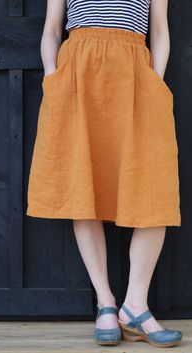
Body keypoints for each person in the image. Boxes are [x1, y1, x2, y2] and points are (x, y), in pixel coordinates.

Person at [26, 0, 182, 347]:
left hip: (136, 74)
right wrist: (53, 78)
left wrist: (155, 82)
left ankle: (135, 305)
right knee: (84, 186)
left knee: (154, 188)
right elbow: (53, 28)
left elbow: (159, 29)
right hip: (78, 76)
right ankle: (106, 302)